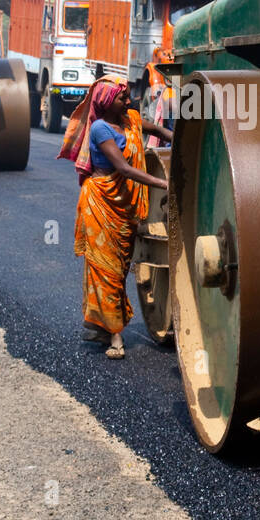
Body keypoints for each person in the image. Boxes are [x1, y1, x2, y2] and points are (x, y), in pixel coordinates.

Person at [60, 76, 171, 359]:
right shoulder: (100, 129)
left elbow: (156, 127)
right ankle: (116, 337)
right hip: (100, 204)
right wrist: (162, 184)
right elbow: (123, 168)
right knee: (105, 270)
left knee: (120, 270)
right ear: (107, 102)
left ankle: (98, 326)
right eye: (123, 98)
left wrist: (180, 141)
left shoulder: (130, 119)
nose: (129, 101)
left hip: (123, 208)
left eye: (128, 97)